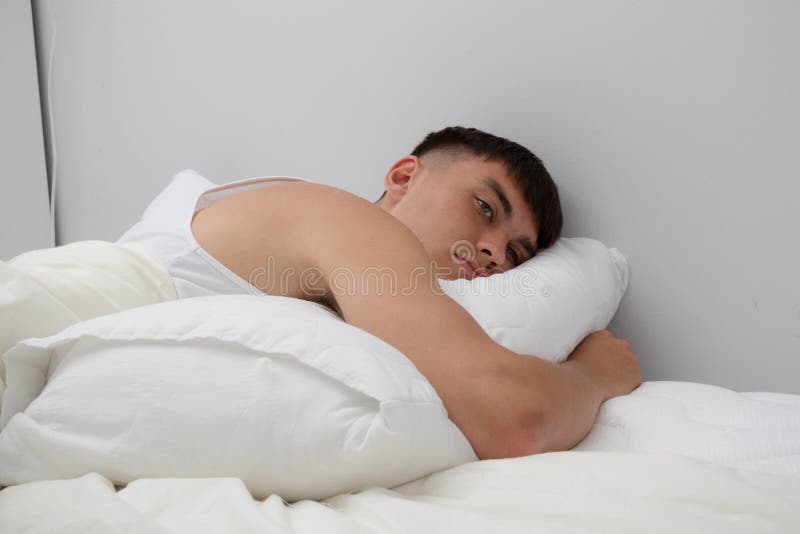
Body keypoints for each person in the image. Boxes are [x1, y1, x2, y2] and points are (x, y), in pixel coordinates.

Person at [132, 126, 643, 460]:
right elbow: (512, 418)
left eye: (514, 254)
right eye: (485, 208)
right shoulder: (344, 221)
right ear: (403, 177)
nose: (492, 253)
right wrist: (596, 375)